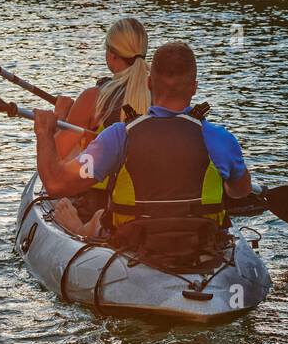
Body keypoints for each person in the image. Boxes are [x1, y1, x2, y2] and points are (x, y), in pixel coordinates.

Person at [34, 41, 252, 241]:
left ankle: (79, 229)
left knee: (99, 217)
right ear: (194, 87)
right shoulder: (221, 139)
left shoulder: (119, 137)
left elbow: (55, 184)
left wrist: (44, 133)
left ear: (149, 83)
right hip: (203, 244)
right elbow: (240, 192)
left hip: (134, 244)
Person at [52, 15, 151, 163]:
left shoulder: (93, 97)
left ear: (111, 55)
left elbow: (54, 155)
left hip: (99, 184)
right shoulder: (162, 93)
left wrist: (59, 117)